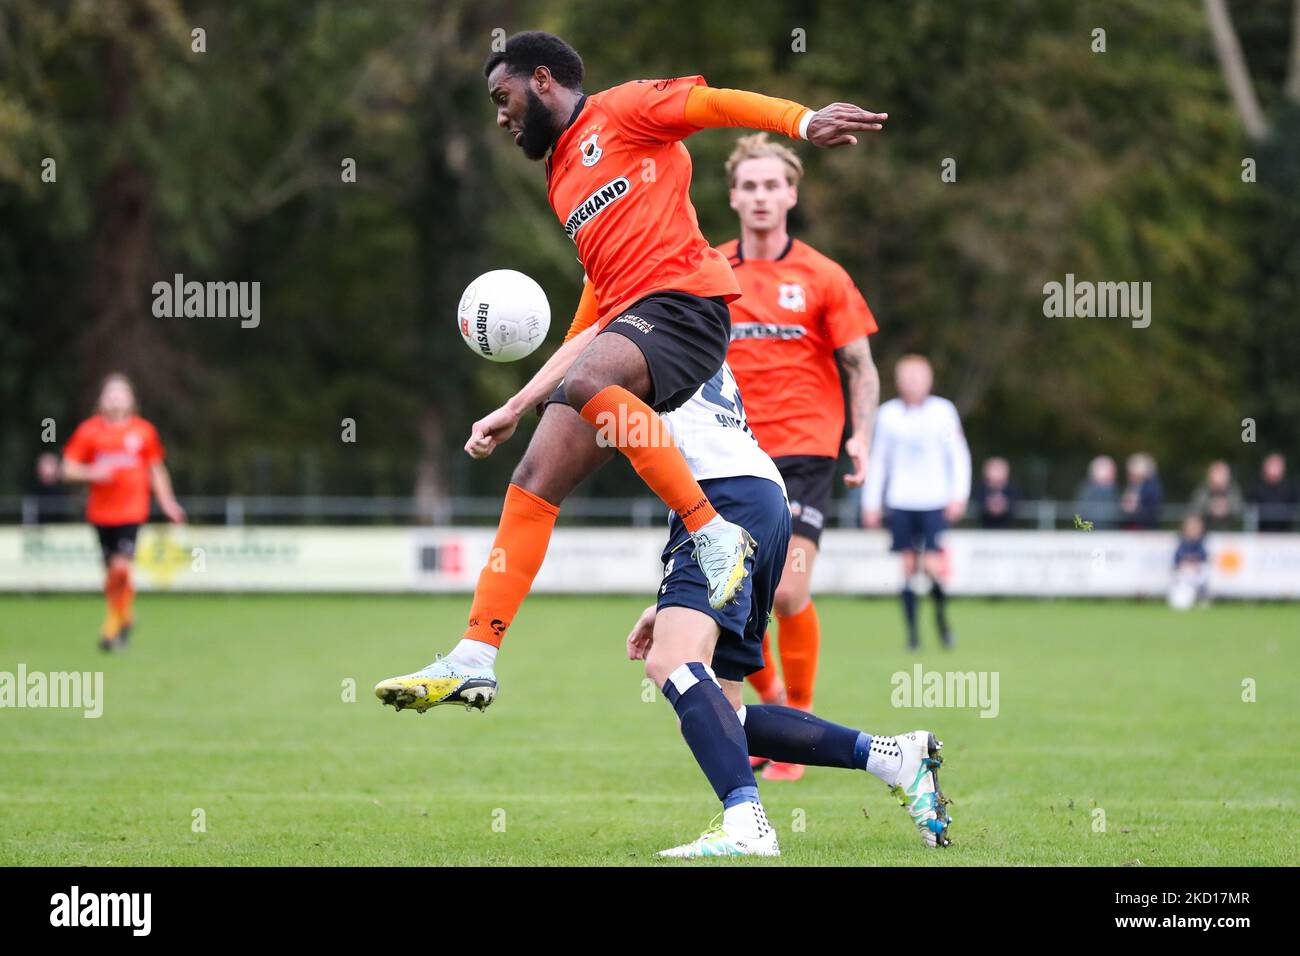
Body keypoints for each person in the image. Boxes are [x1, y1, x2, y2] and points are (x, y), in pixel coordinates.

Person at [375, 30, 889, 709]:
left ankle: (712, 536)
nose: (500, 116)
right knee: (534, 474)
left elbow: (713, 104)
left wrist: (802, 119)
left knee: (592, 382)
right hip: (632, 327)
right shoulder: (560, 181)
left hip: (689, 309)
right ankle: (476, 652)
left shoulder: (623, 110)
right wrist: (517, 404)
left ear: (544, 80)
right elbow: (590, 321)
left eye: (505, 98)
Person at [716, 133, 881, 781]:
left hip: (806, 453)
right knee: (734, 600)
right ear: (733, 197)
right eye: (748, 186)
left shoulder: (823, 275)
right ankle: (778, 716)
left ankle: (798, 717)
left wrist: (861, 435)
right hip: (731, 452)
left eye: (771, 186)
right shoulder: (710, 272)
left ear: (791, 194)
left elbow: (861, 367)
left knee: (787, 590)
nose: (760, 197)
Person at [61, 373, 186, 650]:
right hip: (100, 513)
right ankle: (124, 617)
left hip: (131, 510)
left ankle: (111, 627)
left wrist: (167, 502)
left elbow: (156, 469)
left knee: (121, 568)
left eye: (121, 392)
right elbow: (67, 468)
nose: (115, 396)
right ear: (101, 400)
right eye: (110, 392)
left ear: (131, 401)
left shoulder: (144, 432)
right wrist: (91, 471)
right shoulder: (89, 431)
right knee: (111, 576)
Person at [863, 356, 971, 650]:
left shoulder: (943, 412)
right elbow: (879, 461)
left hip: (934, 500)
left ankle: (941, 621)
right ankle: (912, 635)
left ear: (929, 380)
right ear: (898, 382)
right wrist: (871, 502)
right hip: (901, 501)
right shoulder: (888, 415)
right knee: (908, 568)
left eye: (918, 377)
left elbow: (958, 456)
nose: (912, 382)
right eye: (907, 377)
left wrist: (958, 495)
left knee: (934, 567)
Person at [1189, 460, 1243, 532]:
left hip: (1231, 532)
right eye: (1217, 473)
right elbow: (1195, 509)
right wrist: (1210, 507)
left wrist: (1228, 508)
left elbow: (1240, 510)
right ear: (1210, 475)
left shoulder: (1233, 489)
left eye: (1223, 474)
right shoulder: (1202, 489)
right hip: (1205, 532)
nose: (1220, 477)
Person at [1169, 513, 1210, 609]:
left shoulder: (1203, 540)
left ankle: (1201, 596)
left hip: (1197, 569)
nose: (1192, 529)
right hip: (1184, 570)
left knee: (1204, 572)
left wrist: (1194, 562)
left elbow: (1204, 556)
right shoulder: (1181, 540)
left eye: (1195, 526)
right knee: (1179, 577)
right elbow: (1177, 557)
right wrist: (1184, 563)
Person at [1250, 453, 1295, 532]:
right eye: (1272, 465)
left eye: (1277, 466)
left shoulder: (1290, 489)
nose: (1274, 469)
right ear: (1265, 467)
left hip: (1285, 535)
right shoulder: (1257, 488)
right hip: (1261, 534)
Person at [1074, 455, 1120, 529]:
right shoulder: (1087, 491)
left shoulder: (1115, 490)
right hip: (1092, 536)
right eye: (1110, 470)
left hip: (1111, 535)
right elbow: (1078, 520)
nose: (1113, 474)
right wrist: (1092, 530)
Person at [1119, 452, 1162, 530]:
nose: (1130, 476)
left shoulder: (1151, 487)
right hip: (1131, 526)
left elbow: (1152, 507)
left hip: (1146, 527)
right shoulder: (1131, 485)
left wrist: (1136, 508)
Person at [974, 456, 1016, 529]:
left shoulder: (1013, 489)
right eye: (994, 469)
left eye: (999, 469)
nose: (996, 472)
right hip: (984, 530)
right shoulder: (980, 489)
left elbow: (1016, 505)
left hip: (1008, 531)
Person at [28, 452, 69, 524]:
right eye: (45, 465)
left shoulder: (65, 492)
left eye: (50, 465)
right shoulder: (32, 493)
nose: (47, 470)